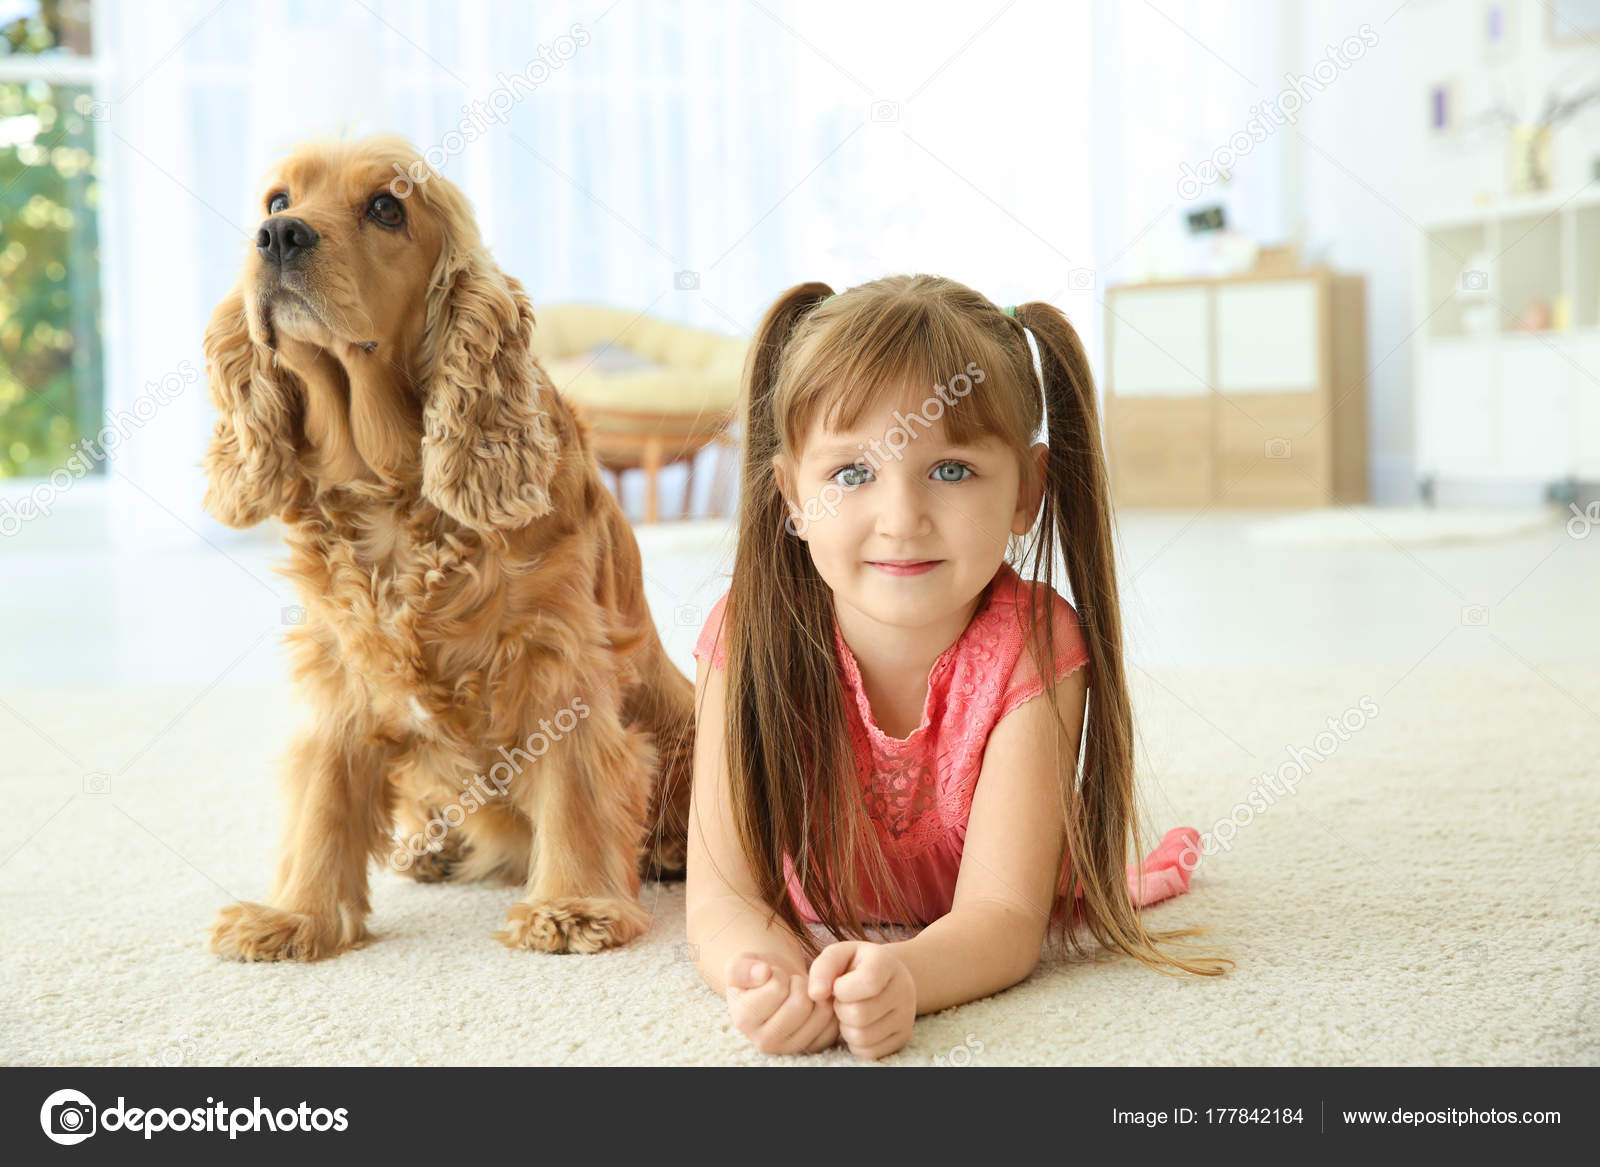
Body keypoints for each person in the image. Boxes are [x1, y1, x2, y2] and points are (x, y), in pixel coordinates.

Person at [685, 275, 1232, 1061]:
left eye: (950, 470)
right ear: (791, 499)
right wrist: (765, 973)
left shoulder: (1037, 646)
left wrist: (904, 975)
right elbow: (723, 894)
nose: (901, 518)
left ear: (1027, 492)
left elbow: (1005, 916)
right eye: (850, 474)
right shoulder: (748, 634)